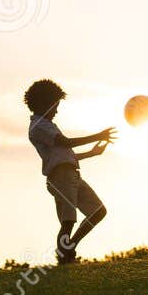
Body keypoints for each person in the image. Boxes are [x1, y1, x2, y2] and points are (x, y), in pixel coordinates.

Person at [23, 79, 116, 264]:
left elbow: (64, 155)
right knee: (68, 221)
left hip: (71, 175)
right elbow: (65, 143)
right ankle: (65, 258)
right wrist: (97, 135)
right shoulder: (38, 126)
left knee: (98, 211)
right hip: (60, 178)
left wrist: (91, 153)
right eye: (55, 105)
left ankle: (69, 247)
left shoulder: (47, 124)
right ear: (45, 103)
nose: (57, 110)